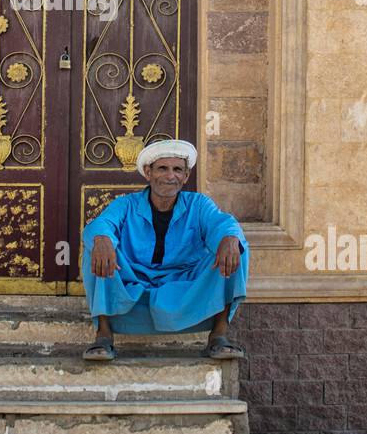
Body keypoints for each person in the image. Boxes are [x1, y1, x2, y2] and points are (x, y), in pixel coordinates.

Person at [80, 138, 248, 362]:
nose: (171, 176)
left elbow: (221, 222)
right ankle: (103, 336)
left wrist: (230, 237)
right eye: (163, 168)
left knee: (236, 246)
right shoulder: (126, 204)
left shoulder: (198, 204)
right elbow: (102, 223)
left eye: (178, 169)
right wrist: (102, 239)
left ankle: (219, 335)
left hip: (184, 282)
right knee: (97, 246)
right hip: (135, 280)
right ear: (148, 173)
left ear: (186, 176)